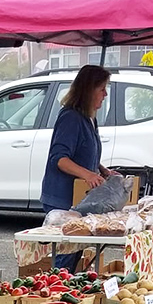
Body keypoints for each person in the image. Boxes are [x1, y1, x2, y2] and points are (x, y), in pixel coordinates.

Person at [41, 64, 114, 269]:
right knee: (66, 253)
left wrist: (102, 170)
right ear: (88, 90)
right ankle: (57, 291)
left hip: (79, 200)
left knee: (76, 251)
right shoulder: (71, 118)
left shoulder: (89, 118)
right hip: (62, 199)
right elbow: (60, 158)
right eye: (102, 89)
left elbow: (83, 151)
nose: (105, 94)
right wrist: (88, 174)